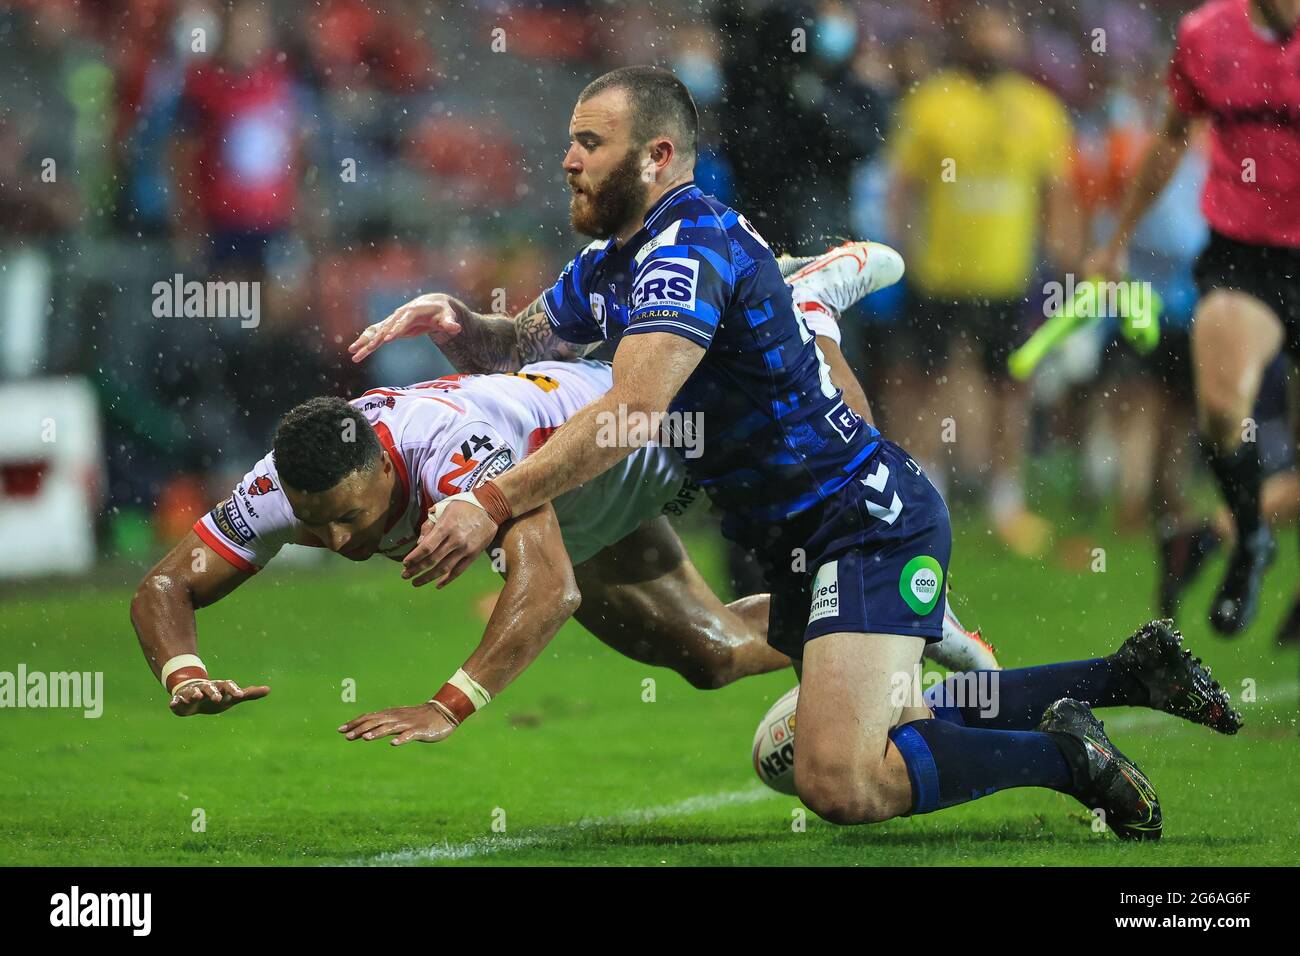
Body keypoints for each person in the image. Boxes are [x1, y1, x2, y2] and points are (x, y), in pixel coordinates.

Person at [395, 66, 1239, 838]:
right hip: (800, 534)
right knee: (855, 707)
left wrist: (491, 500)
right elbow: (518, 345)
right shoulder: (612, 263)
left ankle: (1068, 759)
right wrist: (460, 326)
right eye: (571, 141)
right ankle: (1124, 676)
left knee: (836, 780)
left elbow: (633, 410)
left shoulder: (685, 253)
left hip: (864, 525)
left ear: (656, 156)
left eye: (589, 142)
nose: (568, 160)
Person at [131, 243, 998, 745]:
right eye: (320, 529)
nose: (347, 541)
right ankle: (914, 625)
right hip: (577, 510)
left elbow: (548, 587)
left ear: (388, 470)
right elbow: (166, 583)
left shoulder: (453, 464)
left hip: (633, 438)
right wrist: (184, 669)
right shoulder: (284, 483)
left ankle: (807, 305)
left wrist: (447, 705)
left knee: (837, 454)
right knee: (710, 659)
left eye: (355, 518)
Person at [1085, 0, 1300, 636]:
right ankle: (1252, 541)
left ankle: (1214, 534)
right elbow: (1174, 135)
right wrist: (1115, 240)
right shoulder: (1207, 34)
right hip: (1244, 257)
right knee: (1222, 411)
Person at [887, 4, 1077, 557]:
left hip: (1009, 275)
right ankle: (926, 493)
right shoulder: (931, 102)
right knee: (927, 384)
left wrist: (1065, 256)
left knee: (1010, 389)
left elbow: (1056, 191)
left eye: (1001, 29)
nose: (992, 39)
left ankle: (1006, 502)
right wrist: (902, 252)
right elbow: (904, 187)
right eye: (983, 28)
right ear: (965, 36)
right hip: (938, 274)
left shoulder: (1039, 108)